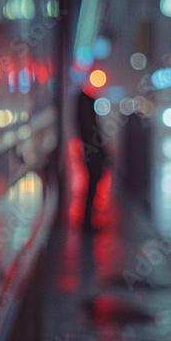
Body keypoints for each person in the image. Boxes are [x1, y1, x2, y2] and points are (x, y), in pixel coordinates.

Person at [76, 87, 106, 232]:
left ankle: (87, 219)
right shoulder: (86, 104)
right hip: (93, 152)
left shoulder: (82, 103)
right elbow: (92, 132)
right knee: (93, 183)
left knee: (92, 183)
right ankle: (87, 220)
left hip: (91, 151)